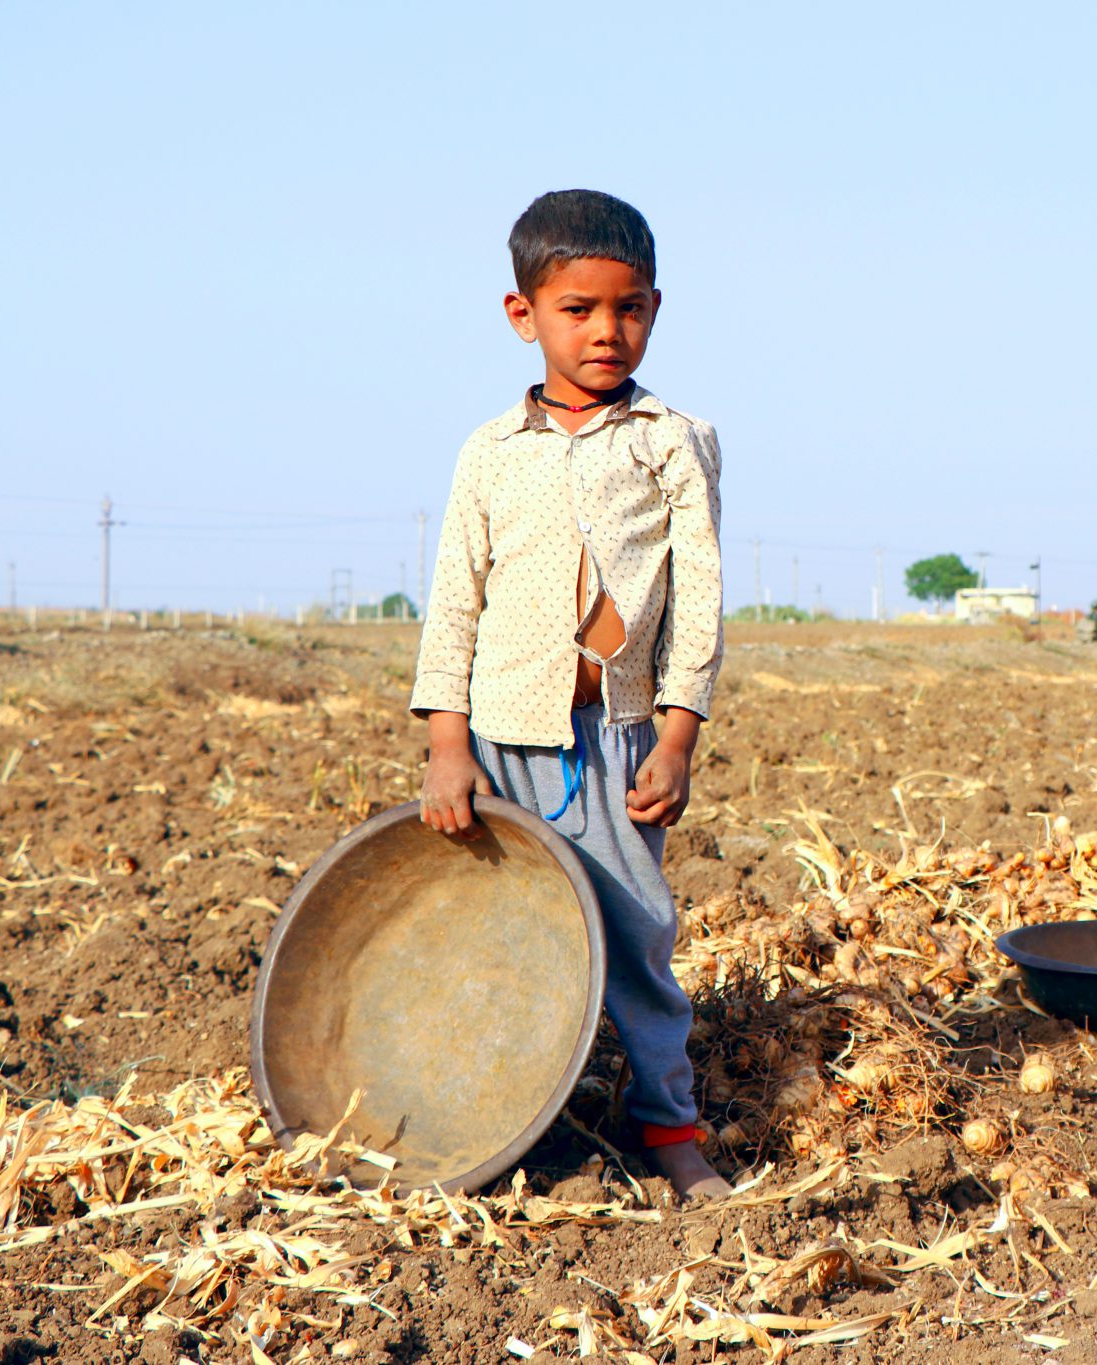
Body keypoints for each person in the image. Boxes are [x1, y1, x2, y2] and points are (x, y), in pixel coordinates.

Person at [410, 190, 731, 1199]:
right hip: (497, 740)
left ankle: (668, 1128)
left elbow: (700, 601)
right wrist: (445, 743)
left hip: (615, 741)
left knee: (635, 932)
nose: (605, 331)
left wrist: (676, 740)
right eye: (578, 310)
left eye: (627, 308)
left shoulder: (673, 441)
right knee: (493, 936)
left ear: (655, 309)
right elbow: (453, 600)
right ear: (523, 314)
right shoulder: (489, 453)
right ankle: (490, 1121)